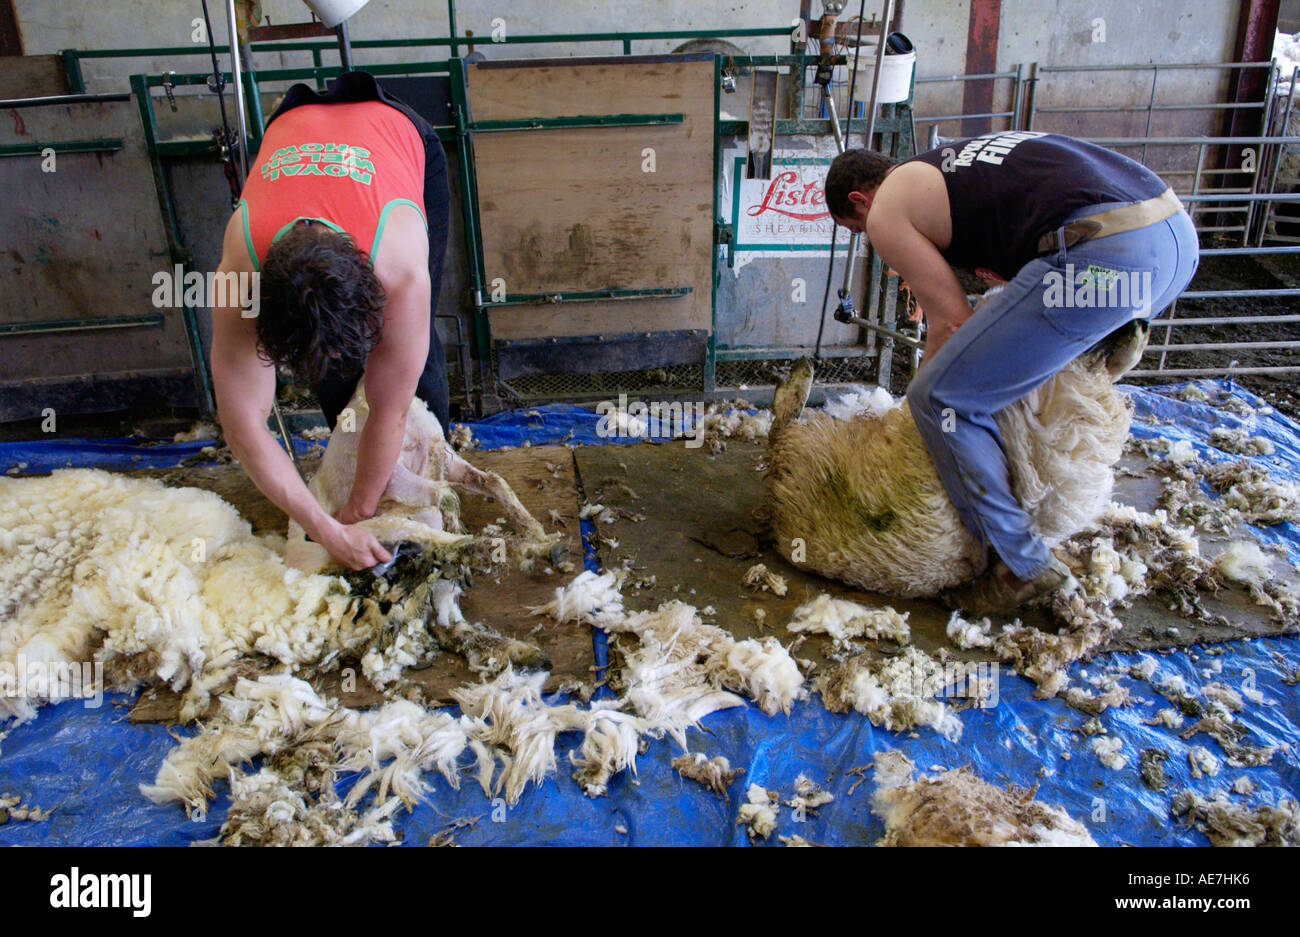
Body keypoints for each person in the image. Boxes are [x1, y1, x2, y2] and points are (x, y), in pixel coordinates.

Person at [824, 131, 1200, 613]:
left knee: (941, 400)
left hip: (1103, 257)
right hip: (1172, 246)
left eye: (857, 228)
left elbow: (951, 321)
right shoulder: (956, 170)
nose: (871, 239)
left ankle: (1019, 566)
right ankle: (1105, 342)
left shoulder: (886, 210)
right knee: (1003, 341)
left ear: (861, 199)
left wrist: (914, 419)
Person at [209, 70, 451, 571]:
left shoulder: (400, 262)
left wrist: (360, 513)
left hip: (397, 136)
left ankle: (427, 487)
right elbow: (242, 424)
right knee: (337, 375)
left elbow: (391, 409)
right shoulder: (239, 270)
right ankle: (348, 475)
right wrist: (328, 528)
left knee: (413, 365)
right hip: (294, 124)